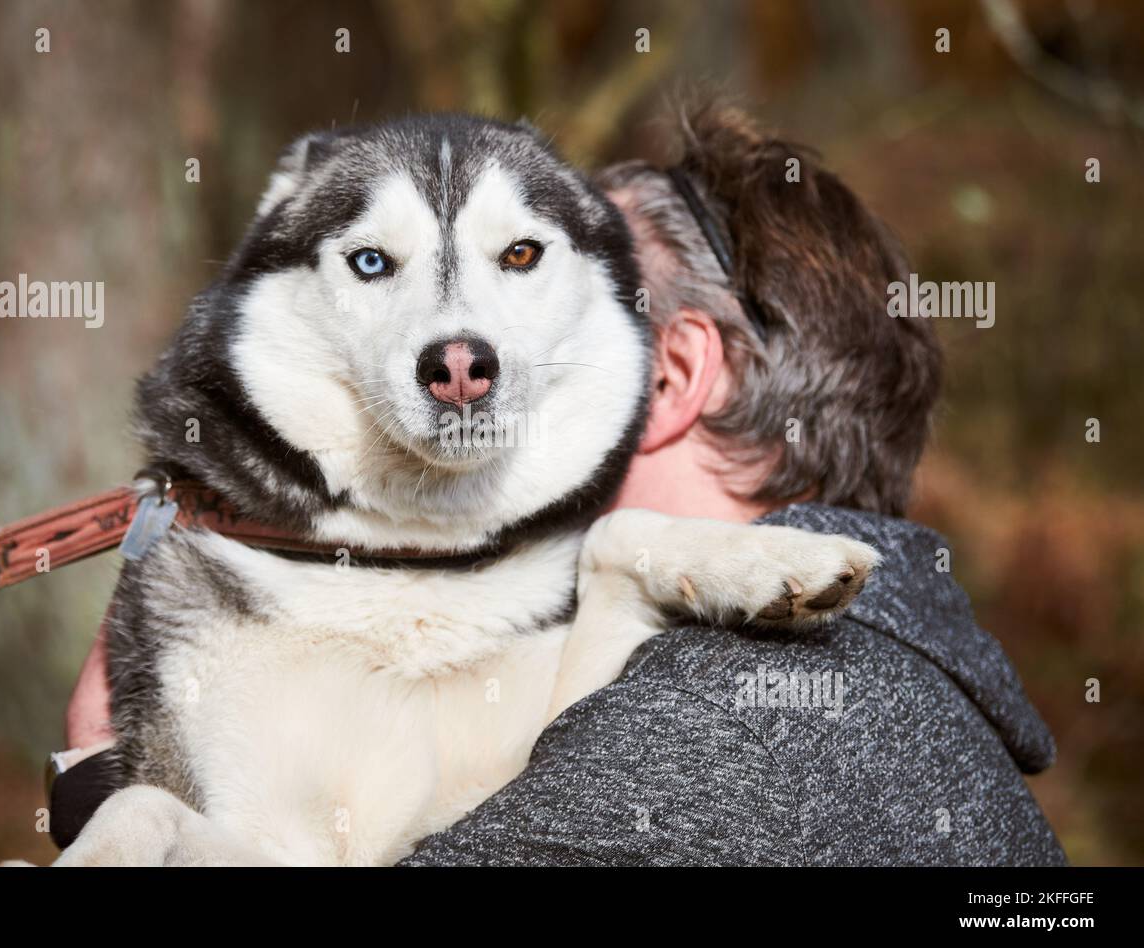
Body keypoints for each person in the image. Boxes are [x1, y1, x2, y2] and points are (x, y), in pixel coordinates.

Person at [61, 102, 1065, 865]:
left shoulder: (720, 723)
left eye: (528, 265)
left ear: (669, 375)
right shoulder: (907, 690)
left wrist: (100, 773)